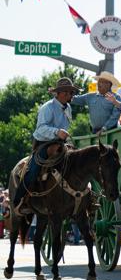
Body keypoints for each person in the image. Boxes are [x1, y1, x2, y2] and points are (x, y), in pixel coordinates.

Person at [12, 77, 79, 213]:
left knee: (79, 162)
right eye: (66, 92)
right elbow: (40, 129)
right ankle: (20, 201)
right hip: (43, 143)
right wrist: (57, 132)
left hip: (60, 143)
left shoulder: (68, 108)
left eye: (71, 92)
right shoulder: (47, 107)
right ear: (57, 93)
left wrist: (61, 136)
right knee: (33, 170)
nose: (69, 95)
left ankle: (83, 197)